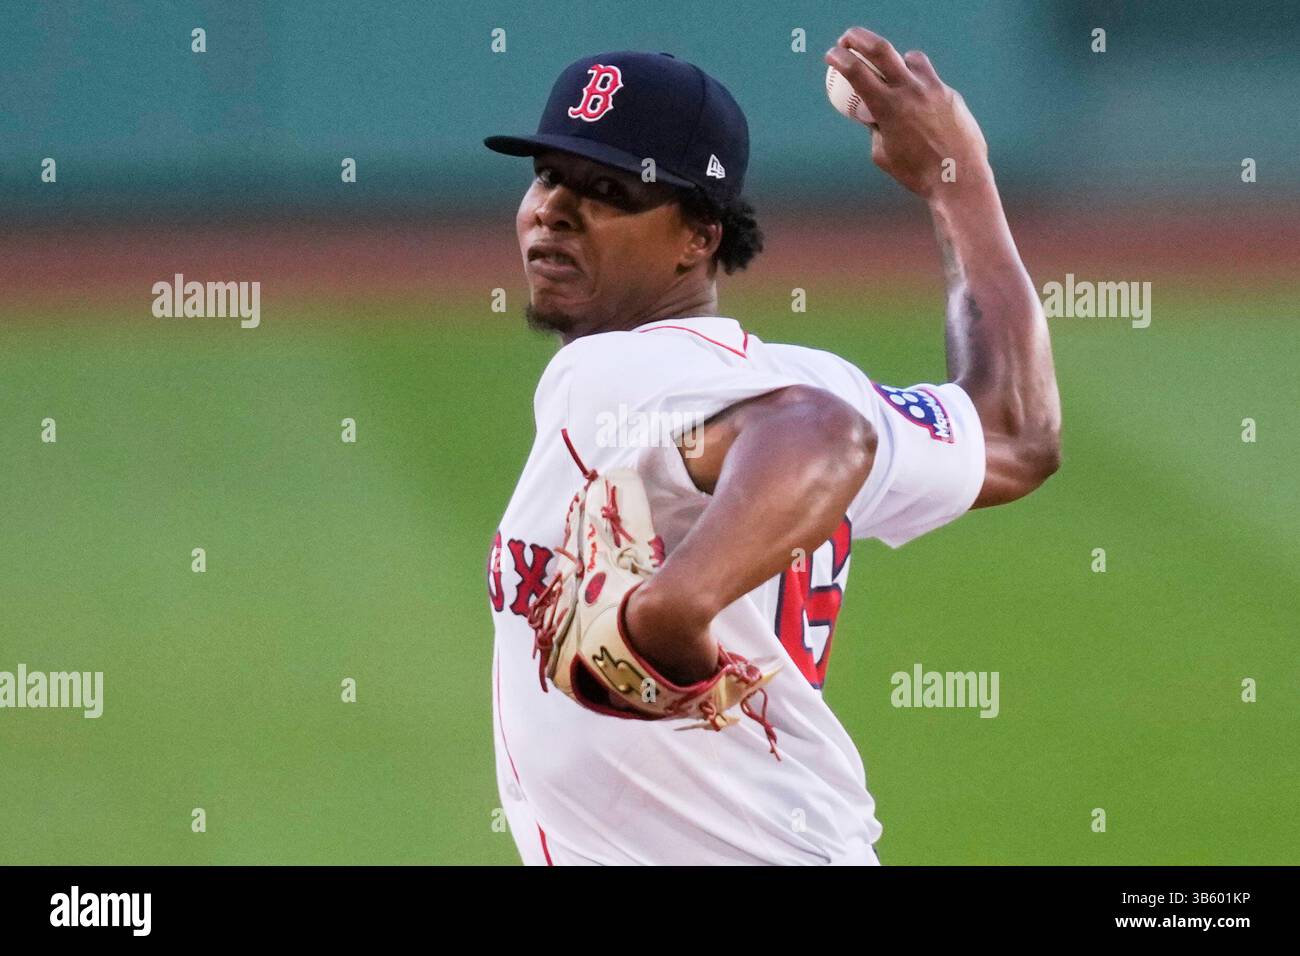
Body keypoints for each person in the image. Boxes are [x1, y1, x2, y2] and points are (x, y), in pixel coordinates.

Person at [482, 30, 1060, 865]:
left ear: (699, 236)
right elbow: (1015, 433)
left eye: (607, 189)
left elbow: (818, 434)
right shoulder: (809, 374)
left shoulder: (612, 375)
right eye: (547, 175)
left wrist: (669, 609)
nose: (552, 209)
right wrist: (957, 176)